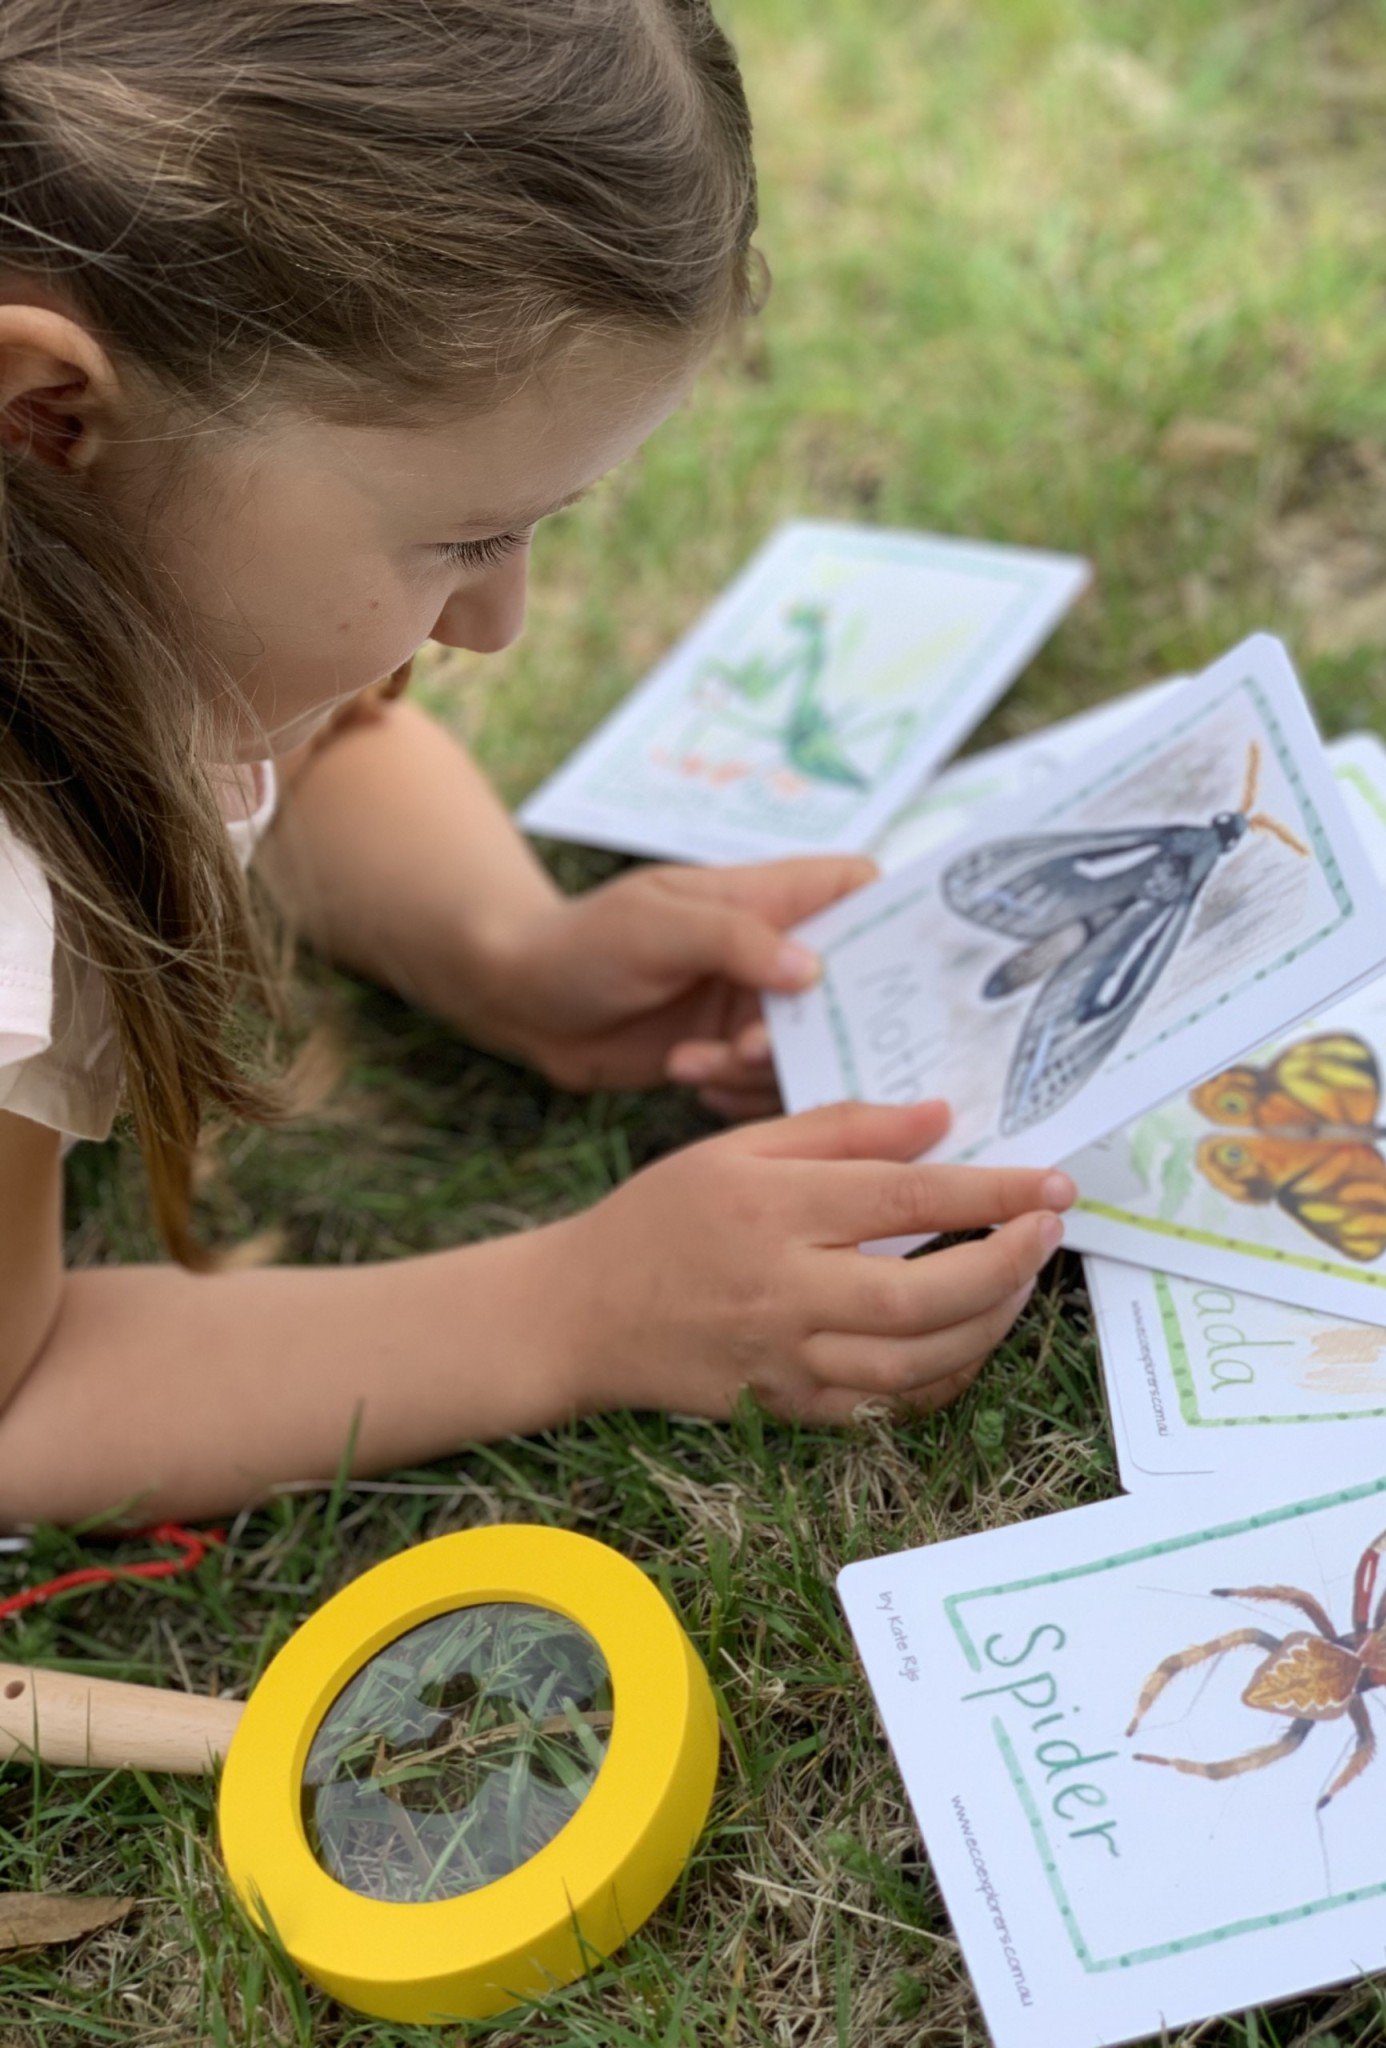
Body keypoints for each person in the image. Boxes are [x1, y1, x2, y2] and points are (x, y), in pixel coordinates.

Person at [0, 0, 1073, 1526]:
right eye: (466, 539)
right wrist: (579, 1309)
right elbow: (18, 1401)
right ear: (45, 418)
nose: (498, 621)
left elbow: (307, 757)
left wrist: (512, 955)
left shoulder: (92, 539)